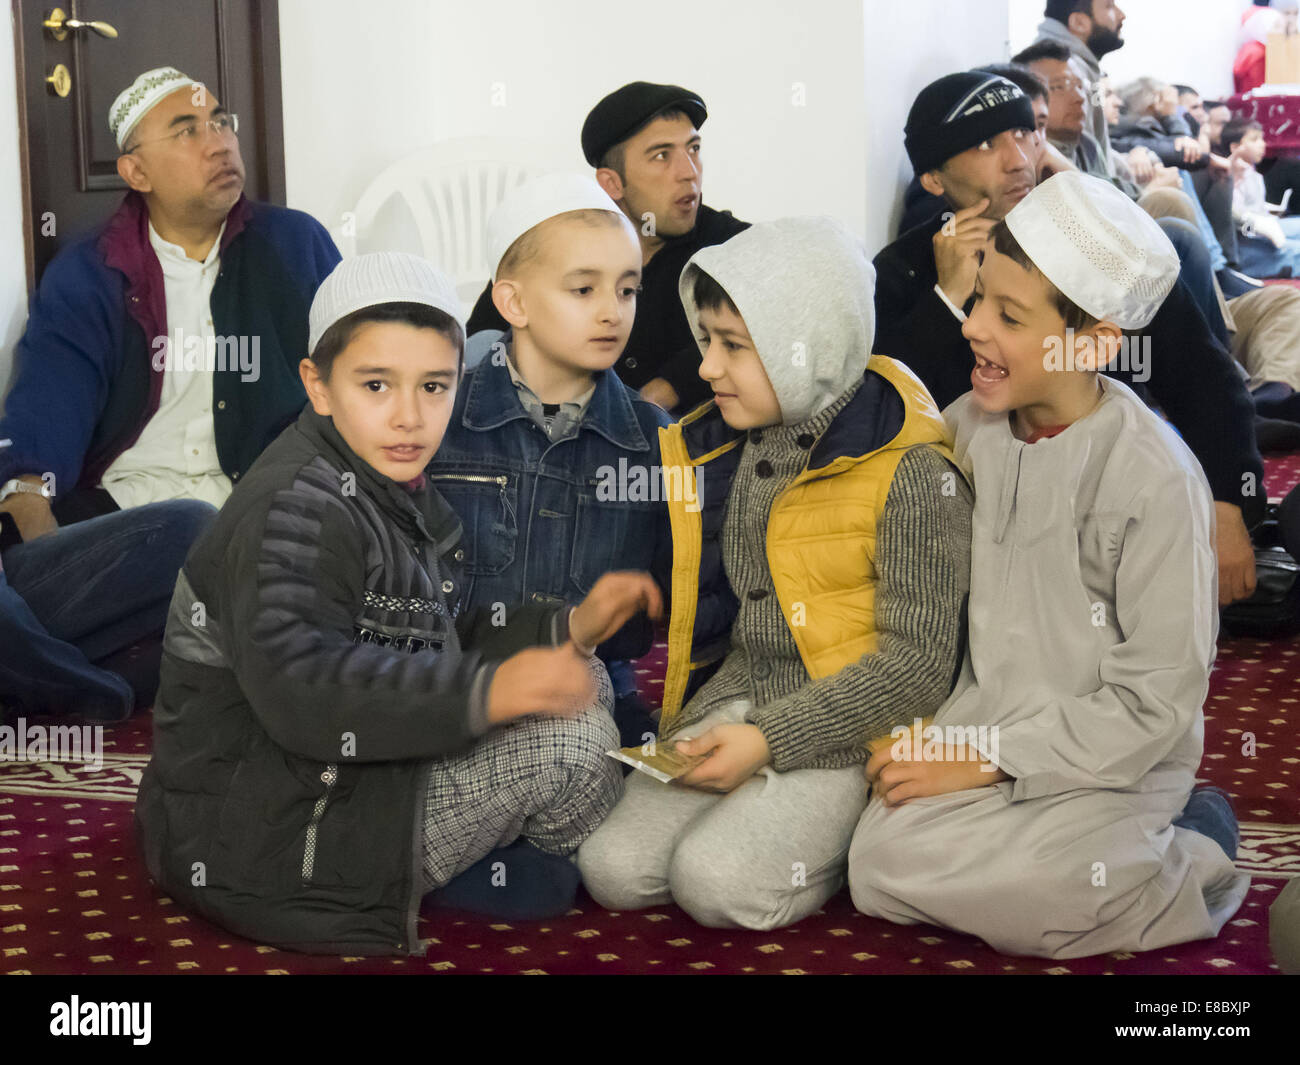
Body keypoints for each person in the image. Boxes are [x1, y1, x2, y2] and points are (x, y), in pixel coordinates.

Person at [135, 253, 663, 952]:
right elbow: (307, 691)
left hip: (337, 778)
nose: (410, 416)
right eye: (377, 384)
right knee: (576, 743)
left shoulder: (375, 476)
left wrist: (566, 626)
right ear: (318, 387)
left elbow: (425, 633)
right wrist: (491, 691)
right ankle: (480, 868)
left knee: (581, 676)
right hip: (275, 832)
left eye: (435, 386)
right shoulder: (293, 509)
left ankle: (491, 864)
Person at [849, 172, 1250, 959]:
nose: (972, 327)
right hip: (983, 716)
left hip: (1114, 753)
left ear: (1092, 341)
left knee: (1057, 889)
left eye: (1008, 314)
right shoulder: (964, 429)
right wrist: (967, 748)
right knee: (876, 864)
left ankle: (1196, 843)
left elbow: (1155, 700)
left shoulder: (1156, 478)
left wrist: (990, 761)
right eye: (976, 299)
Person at [577, 217, 973, 930]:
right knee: (613, 868)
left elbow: (919, 665)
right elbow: (742, 624)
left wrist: (769, 740)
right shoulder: (729, 440)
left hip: (854, 726)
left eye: (733, 346)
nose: (706, 367)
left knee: (716, 882)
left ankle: (854, 830)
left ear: (810, 350)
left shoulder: (913, 471)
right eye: (708, 340)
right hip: (745, 697)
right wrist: (721, 717)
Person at [0, 66, 339, 716]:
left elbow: (360, 375)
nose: (218, 142)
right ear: (136, 172)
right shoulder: (90, 274)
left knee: (263, 563)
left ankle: (56, 670)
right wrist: (51, 561)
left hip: (263, 527)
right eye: (187, 130)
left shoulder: (296, 246)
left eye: (220, 122)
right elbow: (40, 430)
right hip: (135, 533)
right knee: (188, 532)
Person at [874, 71, 1264, 606]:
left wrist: (1227, 504)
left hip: (1113, 508)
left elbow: (1204, 377)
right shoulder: (908, 271)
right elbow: (885, 422)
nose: (1018, 159)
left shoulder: (1103, 248)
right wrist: (945, 302)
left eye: (1026, 133)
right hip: (973, 538)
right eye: (987, 144)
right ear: (935, 179)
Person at [429, 174, 671, 747]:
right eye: (583, 290)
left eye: (628, 290)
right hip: (454, 678)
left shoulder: (653, 440)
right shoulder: (441, 419)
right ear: (512, 301)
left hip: (588, 686)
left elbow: (660, 609)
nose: (613, 312)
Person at [467, 82, 748, 414]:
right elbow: (483, 339)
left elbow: (764, 328)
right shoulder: (561, 235)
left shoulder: (731, 245)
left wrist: (671, 386)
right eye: (661, 156)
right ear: (612, 183)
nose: (689, 173)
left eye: (694, 149)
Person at [1030, 0, 1127, 159]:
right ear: (1079, 22)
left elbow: (1097, 155)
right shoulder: (1062, 70)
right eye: (1109, 6)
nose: (1122, 15)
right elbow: (1081, 167)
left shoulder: (1082, 67)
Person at [1222, 117, 1300, 279]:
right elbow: (1236, 219)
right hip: (1246, 245)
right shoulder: (1224, 177)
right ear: (1235, 147)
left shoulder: (1252, 173)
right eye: (1254, 139)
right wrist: (1231, 179)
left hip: (1264, 230)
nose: (1262, 144)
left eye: (1262, 139)